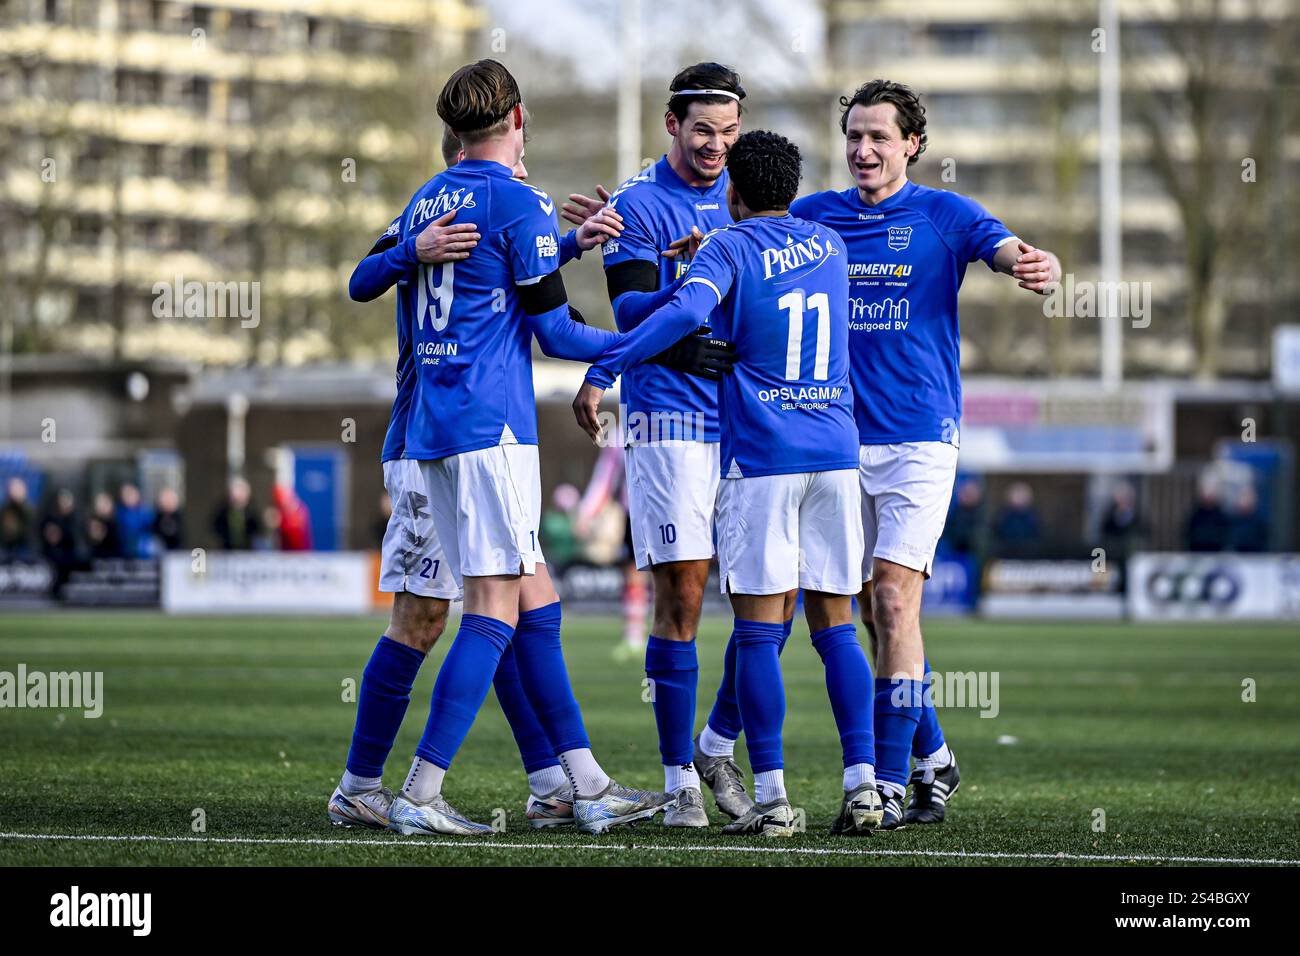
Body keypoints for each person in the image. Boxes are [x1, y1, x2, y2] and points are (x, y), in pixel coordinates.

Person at [332, 59, 730, 839]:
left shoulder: (431, 196)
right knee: (471, 611)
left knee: (533, 604)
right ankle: (413, 787)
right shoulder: (517, 199)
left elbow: (418, 275)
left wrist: (569, 243)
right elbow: (550, 329)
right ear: (517, 117)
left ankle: (573, 784)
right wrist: (645, 344)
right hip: (484, 428)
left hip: (438, 428)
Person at [574, 130, 881, 835]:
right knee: (836, 628)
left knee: (754, 629)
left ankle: (771, 797)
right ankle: (862, 784)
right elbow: (771, 282)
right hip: (836, 451)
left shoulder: (729, 247)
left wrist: (604, 369)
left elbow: (684, 315)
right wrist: (703, 264)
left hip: (763, 460)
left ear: (732, 194)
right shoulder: (828, 245)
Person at [782, 79, 1062, 828]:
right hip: (836, 439)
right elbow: (751, 240)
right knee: (866, 615)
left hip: (918, 440)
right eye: (854, 136)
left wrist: (1034, 265)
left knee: (894, 599)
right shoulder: (814, 217)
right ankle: (934, 755)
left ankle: (879, 783)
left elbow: (1002, 246)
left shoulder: (945, 214)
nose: (863, 149)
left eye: (879, 136)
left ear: (912, 144)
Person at [580, 62, 781, 823]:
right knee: (685, 596)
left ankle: (716, 740)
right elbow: (628, 308)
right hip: (669, 422)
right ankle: (677, 786)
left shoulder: (751, 202)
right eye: (703, 129)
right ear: (672, 125)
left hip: (750, 422)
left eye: (730, 132)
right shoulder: (637, 204)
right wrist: (683, 282)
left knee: (773, 602)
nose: (717, 145)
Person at [574, 443, 649, 661]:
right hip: (634, 514)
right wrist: (587, 513)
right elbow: (605, 479)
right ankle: (635, 638)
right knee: (635, 574)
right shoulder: (620, 434)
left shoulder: (679, 419)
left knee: (675, 576)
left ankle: (673, 638)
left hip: (673, 509)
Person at [993, 481, 1042, 558]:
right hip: (1006, 556)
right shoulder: (1003, 516)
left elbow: (1038, 537)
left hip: (1028, 557)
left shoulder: (1033, 517)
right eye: (1017, 494)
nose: (1019, 498)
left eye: (1022, 495)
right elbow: (996, 535)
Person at [212, 477, 260, 551]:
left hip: (247, 549)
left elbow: (257, 528)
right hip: (227, 549)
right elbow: (215, 525)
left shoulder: (251, 510)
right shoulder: (223, 509)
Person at [0, 476, 35, 559]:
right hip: (7, 547)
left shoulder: (29, 508)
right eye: (13, 489)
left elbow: (30, 526)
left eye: (18, 489)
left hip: (24, 546)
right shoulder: (5, 509)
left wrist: (20, 504)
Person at [153, 487, 184, 551]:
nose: (167, 502)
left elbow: (179, 537)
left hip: (176, 552)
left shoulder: (178, 517)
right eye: (165, 500)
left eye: (170, 500)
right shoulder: (157, 517)